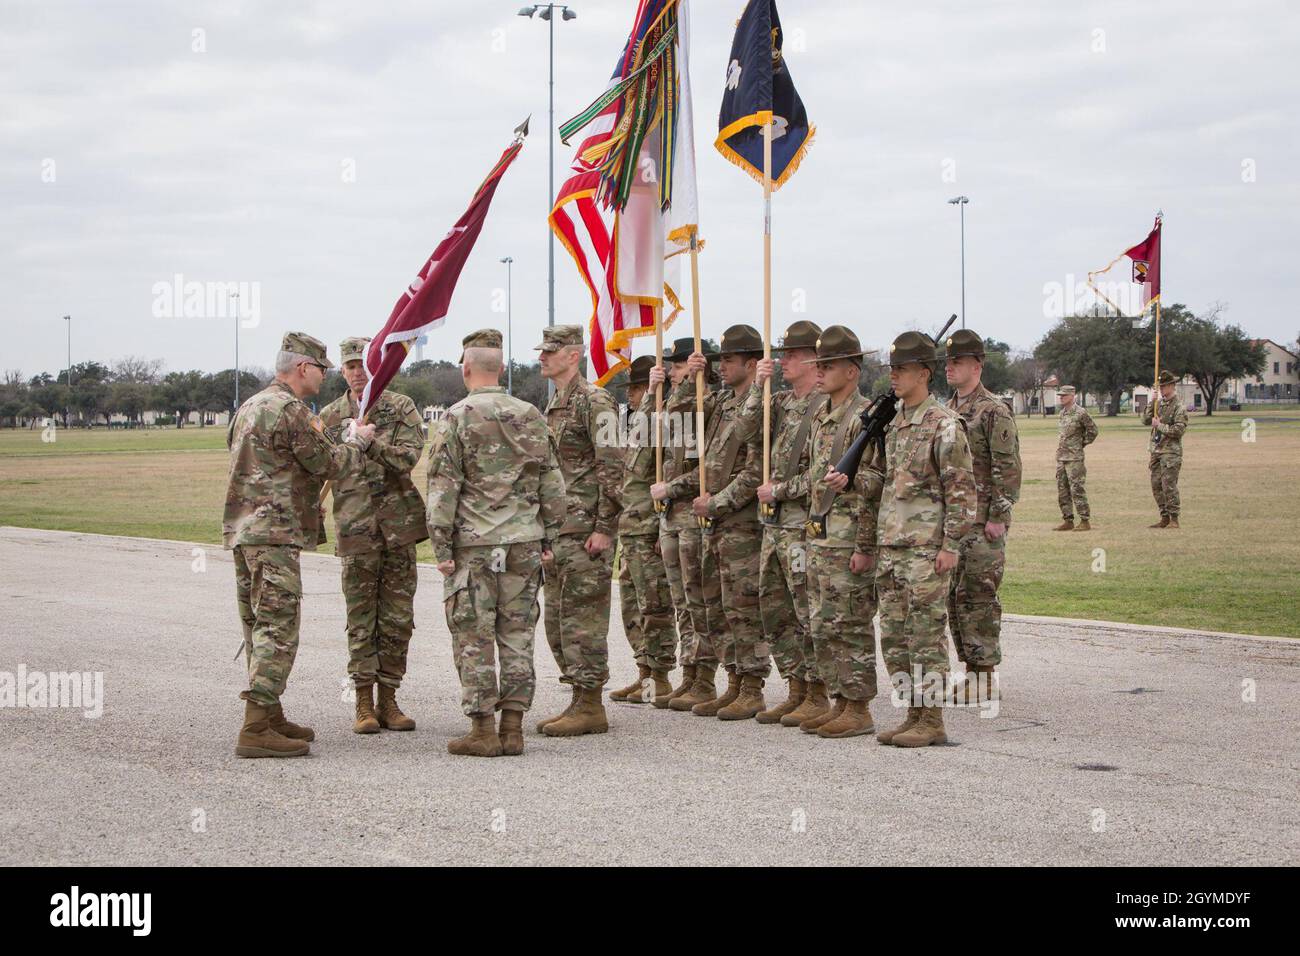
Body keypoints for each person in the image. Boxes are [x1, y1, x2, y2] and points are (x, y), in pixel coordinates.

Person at [224, 331, 375, 758]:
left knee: (258, 622)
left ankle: (270, 714)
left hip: (244, 530)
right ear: (303, 368)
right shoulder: (290, 410)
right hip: (275, 534)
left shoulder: (250, 406)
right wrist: (357, 440)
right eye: (322, 369)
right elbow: (329, 462)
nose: (325, 378)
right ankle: (255, 728)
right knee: (278, 626)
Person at [426, 329, 565, 757]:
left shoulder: (456, 417)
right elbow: (552, 484)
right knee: (517, 635)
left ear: (465, 369)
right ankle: (513, 727)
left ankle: (482, 729)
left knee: (473, 635)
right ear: (502, 369)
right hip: (523, 542)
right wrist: (550, 537)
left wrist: (442, 550)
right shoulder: (530, 414)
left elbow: (442, 490)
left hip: (475, 545)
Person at [865, 331, 976, 748]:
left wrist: (950, 545)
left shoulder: (944, 424)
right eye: (891, 369)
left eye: (902, 369)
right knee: (893, 636)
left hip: (927, 549)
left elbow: (962, 490)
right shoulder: (895, 424)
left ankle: (932, 720)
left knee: (926, 634)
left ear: (924, 374)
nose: (893, 376)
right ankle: (911, 712)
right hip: (892, 546)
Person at [319, 336, 427, 734]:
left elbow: (409, 457)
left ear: (378, 366)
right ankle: (363, 702)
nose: (357, 373)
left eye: (364, 365)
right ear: (342, 372)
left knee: (398, 619)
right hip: (356, 528)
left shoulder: (401, 408)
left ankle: (389, 699)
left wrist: (370, 442)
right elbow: (321, 466)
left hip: (398, 528)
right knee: (360, 618)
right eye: (350, 366)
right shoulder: (330, 417)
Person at [534, 325, 623, 737]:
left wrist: (605, 528)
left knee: (583, 619)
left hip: (588, 531)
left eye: (550, 351)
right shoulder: (556, 403)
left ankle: (591, 705)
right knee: (558, 619)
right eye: (542, 351)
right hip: (560, 531)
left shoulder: (596, 401)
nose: (542, 358)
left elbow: (613, 468)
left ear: (574, 355)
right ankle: (577, 697)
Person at [735, 320, 823, 724]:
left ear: (814, 359)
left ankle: (818, 692)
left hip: (803, 524)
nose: (783, 360)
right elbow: (742, 431)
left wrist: (783, 490)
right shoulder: (780, 401)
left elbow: (827, 470)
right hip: (773, 527)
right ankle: (796, 686)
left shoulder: (825, 405)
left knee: (808, 611)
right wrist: (758, 388)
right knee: (775, 610)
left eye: (790, 354)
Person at [795, 326, 880, 738]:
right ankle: (840, 699)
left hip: (847, 537)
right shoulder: (822, 415)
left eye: (828, 365)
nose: (820, 372)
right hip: (820, 534)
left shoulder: (866, 419)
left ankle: (859, 706)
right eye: (818, 365)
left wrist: (865, 544)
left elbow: (874, 486)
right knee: (823, 623)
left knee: (851, 621)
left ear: (852, 370)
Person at [686, 325, 767, 720]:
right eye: (718, 360)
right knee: (716, 606)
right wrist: (690, 375)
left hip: (740, 522)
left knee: (743, 606)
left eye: (728, 360)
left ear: (752, 364)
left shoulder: (761, 404)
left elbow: (755, 472)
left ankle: (752, 685)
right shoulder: (720, 403)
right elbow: (682, 422)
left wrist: (716, 503)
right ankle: (733, 679)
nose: (720, 367)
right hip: (715, 521)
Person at [942, 329, 1021, 700]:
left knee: (978, 596)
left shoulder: (993, 409)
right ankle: (971, 669)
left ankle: (984, 675)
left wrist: (998, 517)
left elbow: (1008, 468)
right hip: (956, 522)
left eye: (957, 361)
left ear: (977, 364)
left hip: (982, 522)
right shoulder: (948, 408)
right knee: (955, 598)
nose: (949, 368)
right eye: (947, 362)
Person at [648, 339, 726, 710]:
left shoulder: (707, 403)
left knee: (699, 600)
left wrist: (692, 382)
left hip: (691, 511)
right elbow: (647, 433)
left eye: (677, 368)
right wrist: (653, 391)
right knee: (681, 601)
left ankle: (705, 676)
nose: (671, 375)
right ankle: (689, 672)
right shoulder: (673, 407)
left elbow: (709, 468)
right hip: (669, 514)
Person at [608, 355, 677, 705]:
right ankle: (644, 673)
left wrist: (652, 394)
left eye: (637, 388)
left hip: (648, 528)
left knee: (654, 606)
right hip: (630, 528)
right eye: (634, 389)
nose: (632, 395)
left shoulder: (665, 425)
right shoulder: (635, 423)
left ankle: (659, 676)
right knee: (632, 606)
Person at [1142, 370, 1189, 528]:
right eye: (1160, 387)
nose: (1161, 389)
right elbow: (1145, 420)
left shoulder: (1179, 407)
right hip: (1156, 450)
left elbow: (1178, 430)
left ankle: (1174, 518)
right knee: (1156, 485)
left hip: (1170, 452)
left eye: (1164, 386)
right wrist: (1151, 402)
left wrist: (1160, 426)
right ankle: (1164, 516)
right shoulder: (1159, 404)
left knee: (1168, 485)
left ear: (1172, 386)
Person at [1054, 385, 1097, 531]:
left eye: (1064, 395)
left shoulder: (1081, 413)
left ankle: (1084, 520)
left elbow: (1093, 431)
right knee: (1062, 490)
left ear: (1072, 396)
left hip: (1075, 458)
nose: (1061, 397)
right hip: (1061, 457)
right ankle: (1068, 520)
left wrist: (1080, 444)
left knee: (1077, 489)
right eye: (1060, 395)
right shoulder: (1062, 413)